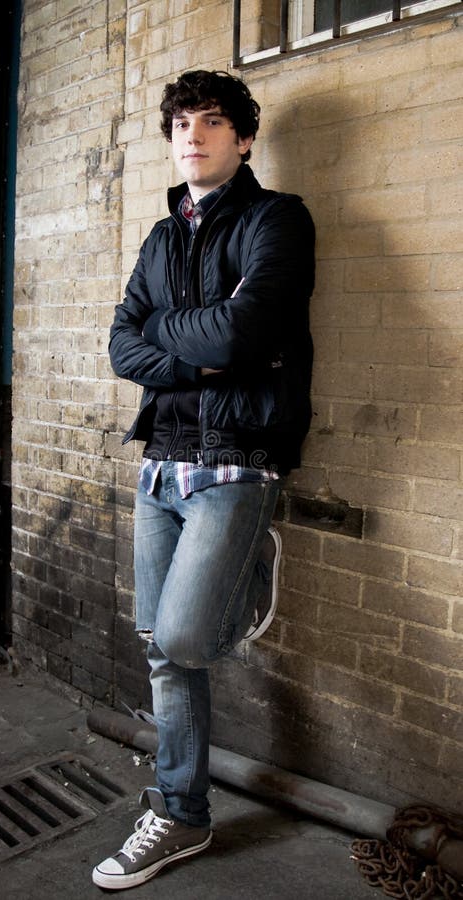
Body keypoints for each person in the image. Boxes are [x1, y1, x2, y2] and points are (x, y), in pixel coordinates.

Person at [93, 69, 315, 891]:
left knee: (184, 638)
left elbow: (251, 326)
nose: (193, 134)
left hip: (236, 463)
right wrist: (206, 350)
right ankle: (182, 813)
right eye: (181, 122)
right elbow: (123, 345)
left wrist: (177, 337)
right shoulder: (159, 238)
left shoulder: (277, 220)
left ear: (244, 137)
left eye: (213, 121)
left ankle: (247, 572)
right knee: (164, 657)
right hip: (160, 467)